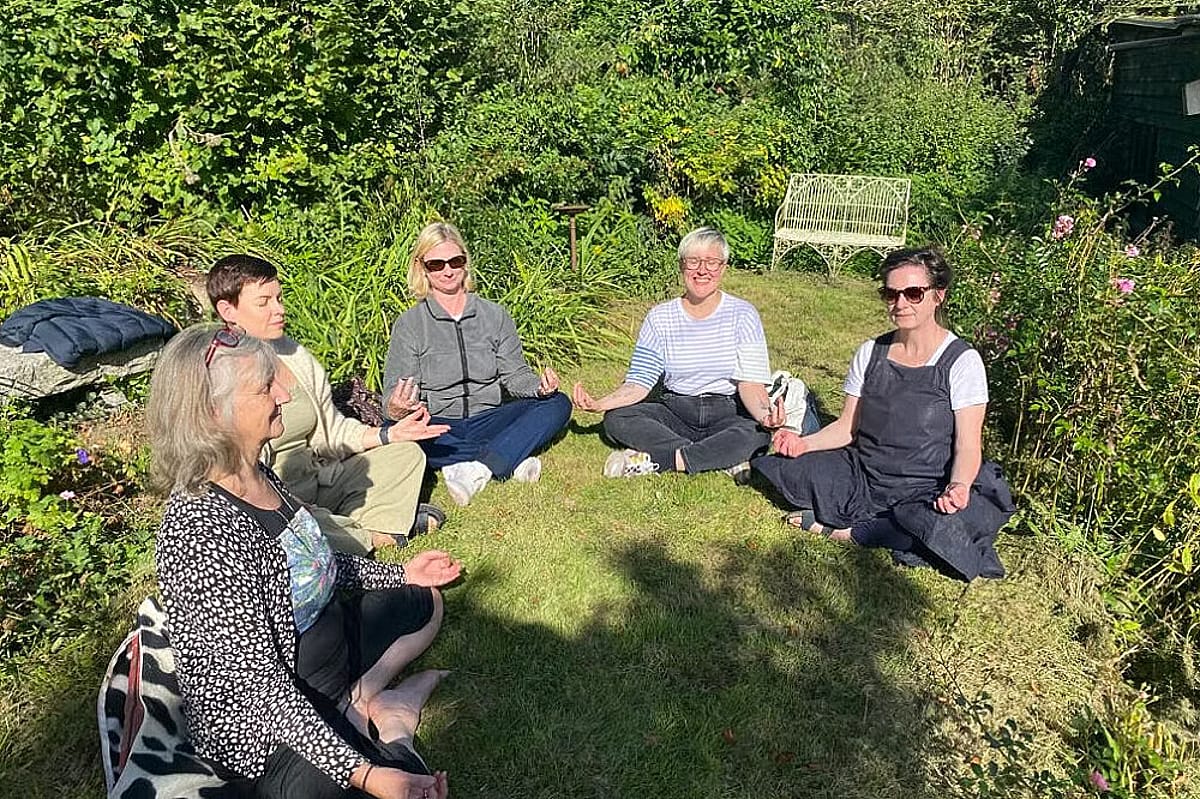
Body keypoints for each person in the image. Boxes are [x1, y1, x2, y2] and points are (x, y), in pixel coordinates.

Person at [146, 324, 461, 799]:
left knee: (424, 601)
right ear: (214, 415)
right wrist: (370, 775)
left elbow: (315, 565)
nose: (286, 391)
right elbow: (258, 693)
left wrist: (400, 574)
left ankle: (359, 701)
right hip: (266, 723)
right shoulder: (198, 528)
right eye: (266, 386)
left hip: (325, 656)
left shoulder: (256, 471)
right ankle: (395, 728)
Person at [752, 247, 1013, 581]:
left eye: (913, 293)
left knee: (942, 522)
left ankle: (853, 531)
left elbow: (967, 445)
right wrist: (804, 444)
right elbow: (848, 427)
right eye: (891, 294)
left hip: (927, 485)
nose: (900, 303)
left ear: (938, 296)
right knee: (785, 468)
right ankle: (881, 524)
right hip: (864, 472)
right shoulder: (870, 352)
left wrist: (958, 485)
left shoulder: (962, 362)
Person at [208, 255, 449, 556]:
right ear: (227, 310)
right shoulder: (219, 375)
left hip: (321, 481)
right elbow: (237, 478)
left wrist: (389, 435)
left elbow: (330, 433)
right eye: (264, 302)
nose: (279, 310)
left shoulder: (292, 354)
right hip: (274, 500)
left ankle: (345, 532)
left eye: (279, 298)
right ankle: (375, 535)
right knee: (289, 523)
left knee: (406, 454)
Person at [572, 226, 814, 481]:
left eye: (711, 262)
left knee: (756, 432)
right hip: (676, 409)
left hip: (727, 410)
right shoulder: (660, 317)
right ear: (681, 266)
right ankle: (720, 456)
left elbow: (750, 384)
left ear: (723, 268)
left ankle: (662, 459)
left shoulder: (743, 314)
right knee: (617, 419)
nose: (702, 270)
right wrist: (601, 404)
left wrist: (766, 415)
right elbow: (640, 382)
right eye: (693, 262)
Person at [382, 222, 572, 506]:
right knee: (395, 431)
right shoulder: (410, 325)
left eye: (455, 261)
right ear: (422, 267)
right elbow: (393, 396)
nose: (447, 271)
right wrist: (398, 408)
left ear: (465, 262)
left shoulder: (494, 315)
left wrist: (539, 388)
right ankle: (509, 455)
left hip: (489, 418)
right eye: (436, 264)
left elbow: (515, 374)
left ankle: (476, 468)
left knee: (558, 404)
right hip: (438, 425)